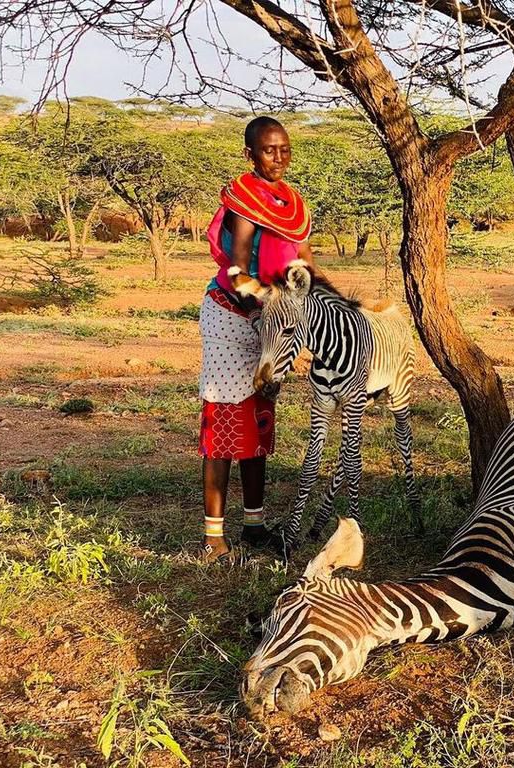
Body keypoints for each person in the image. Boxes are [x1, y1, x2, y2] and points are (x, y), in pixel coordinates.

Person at [198, 116, 316, 562]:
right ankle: (213, 537)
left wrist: (333, 303)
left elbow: (306, 262)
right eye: (269, 150)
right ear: (250, 153)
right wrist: (271, 307)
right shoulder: (245, 199)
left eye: (285, 148)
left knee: (258, 421)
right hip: (233, 316)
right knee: (226, 423)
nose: (279, 158)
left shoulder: (291, 202)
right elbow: (237, 268)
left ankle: (253, 526)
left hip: (269, 319)